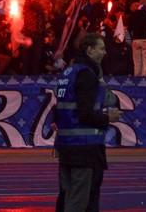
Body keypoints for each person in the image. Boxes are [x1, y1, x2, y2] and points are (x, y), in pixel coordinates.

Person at [54, 32, 120, 212]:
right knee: (81, 199)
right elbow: (85, 114)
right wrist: (108, 118)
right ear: (90, 50)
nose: (105, 52)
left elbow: (59, 109)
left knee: (66, 195)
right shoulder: (87, 75)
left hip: (66, 146)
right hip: (84, 148)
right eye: (101, 48)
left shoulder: (68, 72)